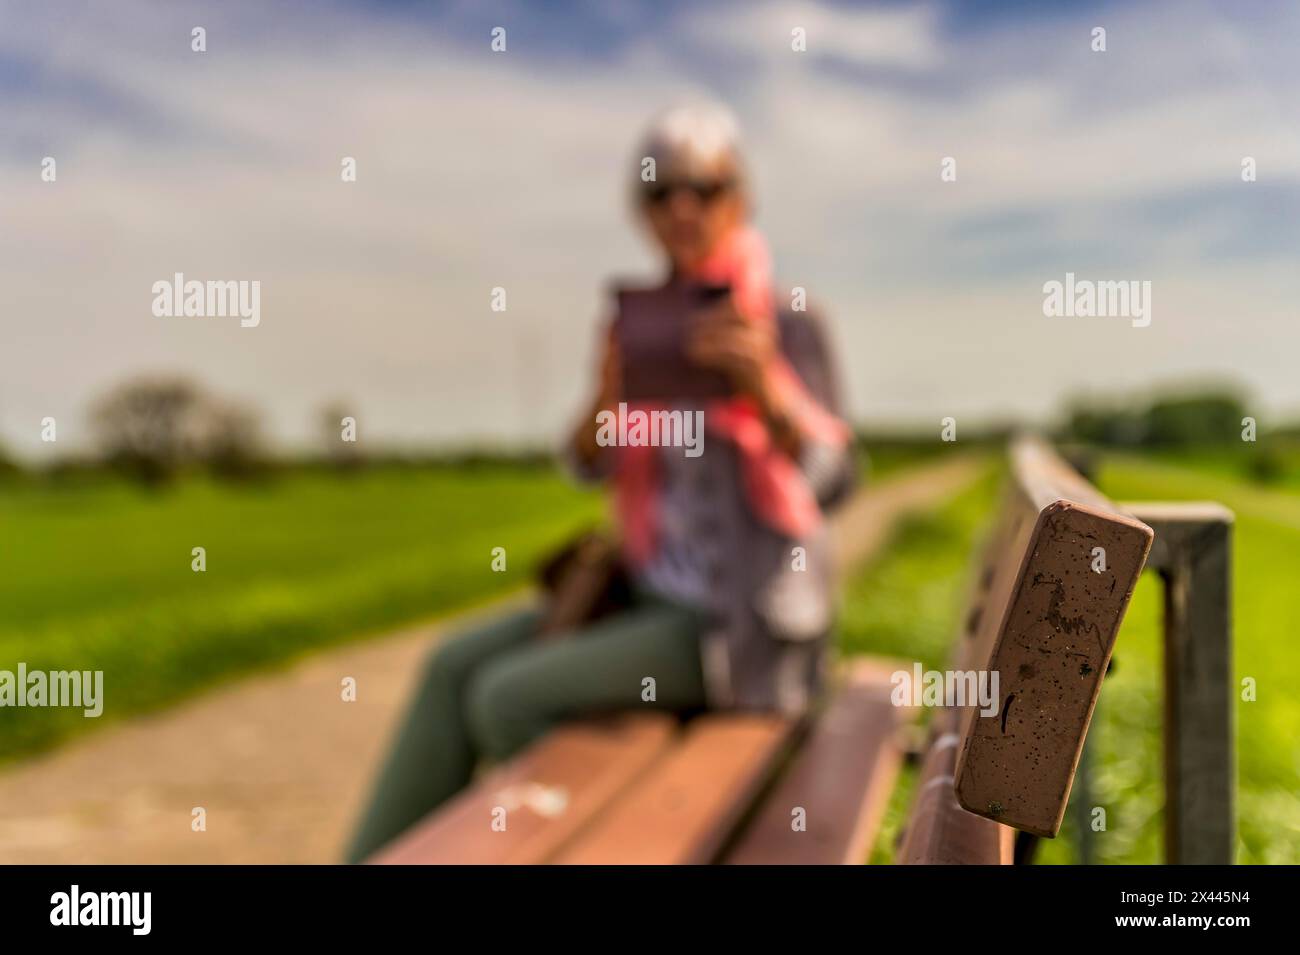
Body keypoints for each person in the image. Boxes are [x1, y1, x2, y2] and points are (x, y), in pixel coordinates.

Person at [343, 102, 855, 864]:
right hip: (649, 591)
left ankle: (593, 840)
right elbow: (587, 463)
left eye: (704, 188)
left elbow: (838, 481)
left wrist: (769, 395)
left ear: (738, 199)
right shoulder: (639, 324)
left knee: (504, 697)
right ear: (640, 210)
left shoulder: (788, 320)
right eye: (660, 191)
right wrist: (605, 399)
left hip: (737, 623)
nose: (682, 206)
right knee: (452, 663)